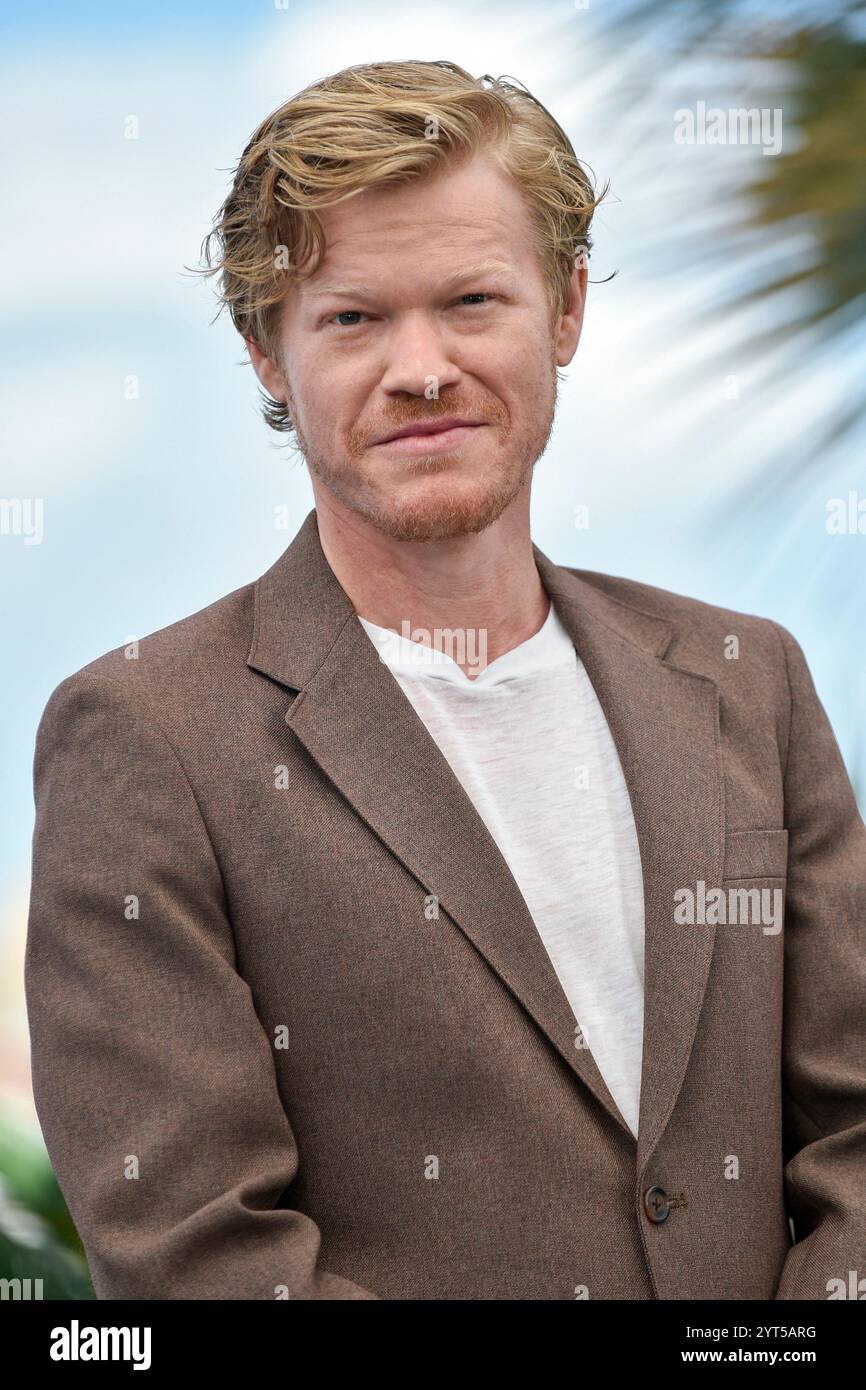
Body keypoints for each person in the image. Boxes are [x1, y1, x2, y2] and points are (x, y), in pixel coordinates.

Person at [25, 58, 866, 1300]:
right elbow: (201, 1260)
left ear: (566, 307)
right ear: (268, 353)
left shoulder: (751, 680)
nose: (420, 368)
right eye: (352, 317)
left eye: (472, 300)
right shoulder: (145, 736)